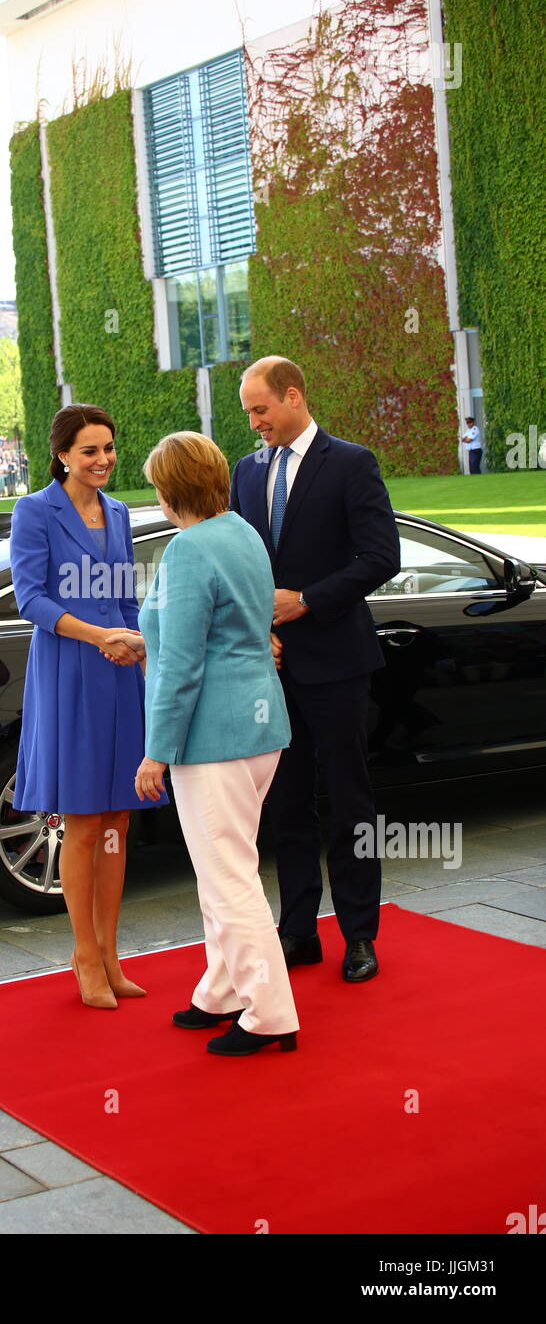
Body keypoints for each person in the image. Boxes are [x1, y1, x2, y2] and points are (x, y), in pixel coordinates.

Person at [106, 431, 299, 1057]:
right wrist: (150, 645)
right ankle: (221, 988)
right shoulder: (243, 532)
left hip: (211, 737)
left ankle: (270, 1012)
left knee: (227, 878)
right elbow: (230, 628)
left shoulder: (188, 550)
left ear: (167, 491)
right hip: (257, 725)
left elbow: (186, 664)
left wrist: (155, 751)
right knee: (224, 869)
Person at [231, 356, 400, 982]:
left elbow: (382, 555)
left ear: (293, 396)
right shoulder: (246, 473)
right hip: (266, 667)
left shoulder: (351, 464)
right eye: (249, 412)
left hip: (337, 662)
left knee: (350, 801)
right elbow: (239, 562)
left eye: (260, 410)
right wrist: (259, 627)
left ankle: (361, 935)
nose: (253, 424)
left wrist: (306, 600)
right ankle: (297, 931)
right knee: (286, 803)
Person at [9, 403, 165, 1010]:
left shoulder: (121, 513)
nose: (103, 460)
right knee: (83, 820)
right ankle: (83, 956)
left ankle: (110, 954)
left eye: (108, 448)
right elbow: (32, 600)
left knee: (120, 818)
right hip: (69, 671)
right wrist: (101, 637)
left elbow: (124, 596)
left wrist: (140, 651)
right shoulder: (34, 511)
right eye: (90, 451)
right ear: (63, 455)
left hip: (120, 673)